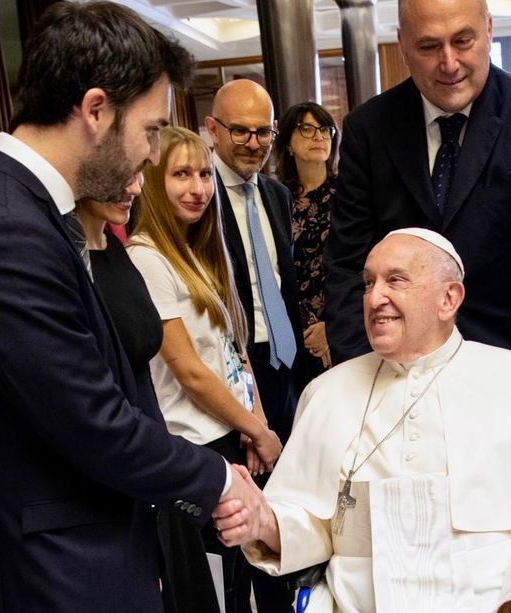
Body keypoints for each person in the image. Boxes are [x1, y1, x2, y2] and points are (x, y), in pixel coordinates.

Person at [0, 3, 258, 611]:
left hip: (90, 552)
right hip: (55, 576)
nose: (152, 155)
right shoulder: (3, 230)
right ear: (97, 110)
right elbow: (92, 421)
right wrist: (215, 478)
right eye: (151, 129)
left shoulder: (28, 212)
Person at [214, 228, 511, 613]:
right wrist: (264, 522)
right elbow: (314, 527)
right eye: (369, 283)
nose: (374, 299)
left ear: (448, 299)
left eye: (396, 280)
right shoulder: (327, 393)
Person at [324, 0, 511, 402]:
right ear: (402, 45)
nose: (449, 64)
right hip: (398, 374)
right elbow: (348, 265)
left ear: (488, 30)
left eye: (463, 41)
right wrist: (359, 381)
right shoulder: (369, 128)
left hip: (510, 365)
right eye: (429, 47)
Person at [126, 126, 283, 613]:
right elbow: (189, 371)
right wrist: (255, 428)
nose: (197, 188)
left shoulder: (196, 250)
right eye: (180, 175)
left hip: (230, 431)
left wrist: (254, 422)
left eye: (202, 174)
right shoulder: (147, 258)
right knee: (208, 592)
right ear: (153, 181)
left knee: (239, 579)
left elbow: (233, 350)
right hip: (193, 443)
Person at [76, 173, 223, 613]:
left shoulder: (115, 250)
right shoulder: (69, 261)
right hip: (122, 468)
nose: (136, 187)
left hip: (155, 451)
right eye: (123, 174)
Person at [205, 78, 301, 613]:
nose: (253, 142)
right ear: (212, 129)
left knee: (284, 491)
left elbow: (281, 283)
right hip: (231, 370)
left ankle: (281, 591)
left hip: (282, 361)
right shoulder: (196, 193)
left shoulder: (276, 194)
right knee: (241, 503)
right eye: (239, 131)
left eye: (262, 131)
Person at [273, 102, 339, 380]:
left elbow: (360, 265)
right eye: (307, 129)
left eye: (325, 129)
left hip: (339, 325)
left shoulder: (347, 193)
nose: (319, 137)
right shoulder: (274, 197)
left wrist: (332, 327)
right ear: (287, 142)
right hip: (287, 330)